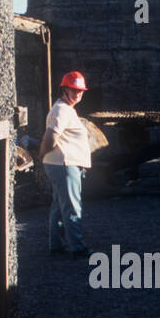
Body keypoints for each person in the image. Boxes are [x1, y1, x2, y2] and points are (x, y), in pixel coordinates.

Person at [38, 70, 93, 255]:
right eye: (74, 90)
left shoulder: (65, 109)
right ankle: (77, 248)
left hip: (62, 164)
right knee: (71, 207)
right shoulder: (62, 109)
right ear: (64, 89)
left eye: (80, 91)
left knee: (59, 206)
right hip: (64, 164)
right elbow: (51, 136)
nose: (78, 94)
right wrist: (42, 154)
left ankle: (57, 245)